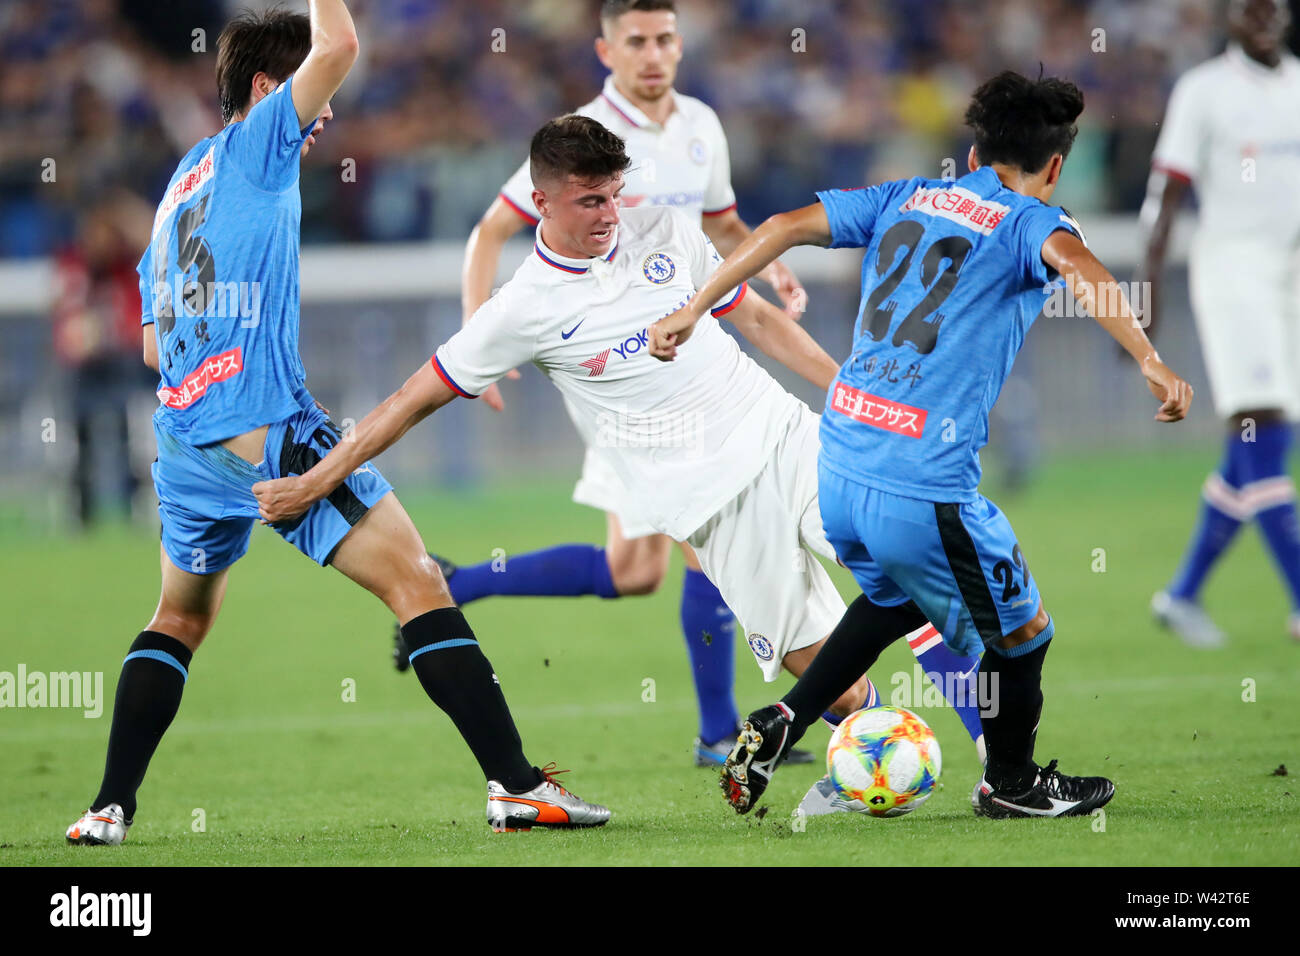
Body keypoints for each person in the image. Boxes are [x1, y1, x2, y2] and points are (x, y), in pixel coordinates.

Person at [252, 116, 988, 816]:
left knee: (910, 565)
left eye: (615, 194)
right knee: (836, 684)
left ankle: (1003, 764)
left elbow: (757, 318)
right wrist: (315, 484)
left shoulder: (666, 230)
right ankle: (875, 755)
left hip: (788, 440)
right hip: (711, 508)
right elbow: (405, 403)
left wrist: (853, 402)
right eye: (590, 200)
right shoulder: (521, 311)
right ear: (541, 201)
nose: (611, 214)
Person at [65, 2, 607, 846]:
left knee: (177, 619)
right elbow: (342, 40)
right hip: (268, 431)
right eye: (313, 101)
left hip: (185, 444)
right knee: (419, 583)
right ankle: (516, 787)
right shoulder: (258, 143)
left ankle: (107, 808)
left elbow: (148, 344)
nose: (326, 117)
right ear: (267, 87)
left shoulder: (181, 185)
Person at [648, 71, 1193, 818]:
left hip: (839, 458)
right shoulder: (1032, 221)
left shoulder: (901, 196)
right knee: (1026, 631)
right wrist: (1149, 357)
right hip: (921, 481)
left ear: (972, 153)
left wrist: (691, 309)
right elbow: (1082, 269)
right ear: (1056, 166)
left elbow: (776, 227)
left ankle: (781, 721)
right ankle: (1014, 785)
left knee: (895, 597)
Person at [401, 0, 813, 768]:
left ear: (680, 46)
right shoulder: (580, 140)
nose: (653, 55)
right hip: (618, 369)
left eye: (665, 40)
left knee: (634, 572)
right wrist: (481, 336)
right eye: (637, 41)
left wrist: (768, 259)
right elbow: (491, 229)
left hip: (694, 349)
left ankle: (464, 582)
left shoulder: (701, 126)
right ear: (606, 49)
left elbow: (722, 225)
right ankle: (720, 731)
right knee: (708, 529)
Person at [1144, 0, 1300, 648]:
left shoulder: (1297, 84)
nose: (1262, 13)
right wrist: (1143, 302)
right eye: (1247, 5)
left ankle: (1180, 596)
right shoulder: (1203, 90)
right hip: (1233, 272)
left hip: (1291, 280)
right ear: (1230, 19)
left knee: (1258, 448)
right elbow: (1165, 198)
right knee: (1262, 430)